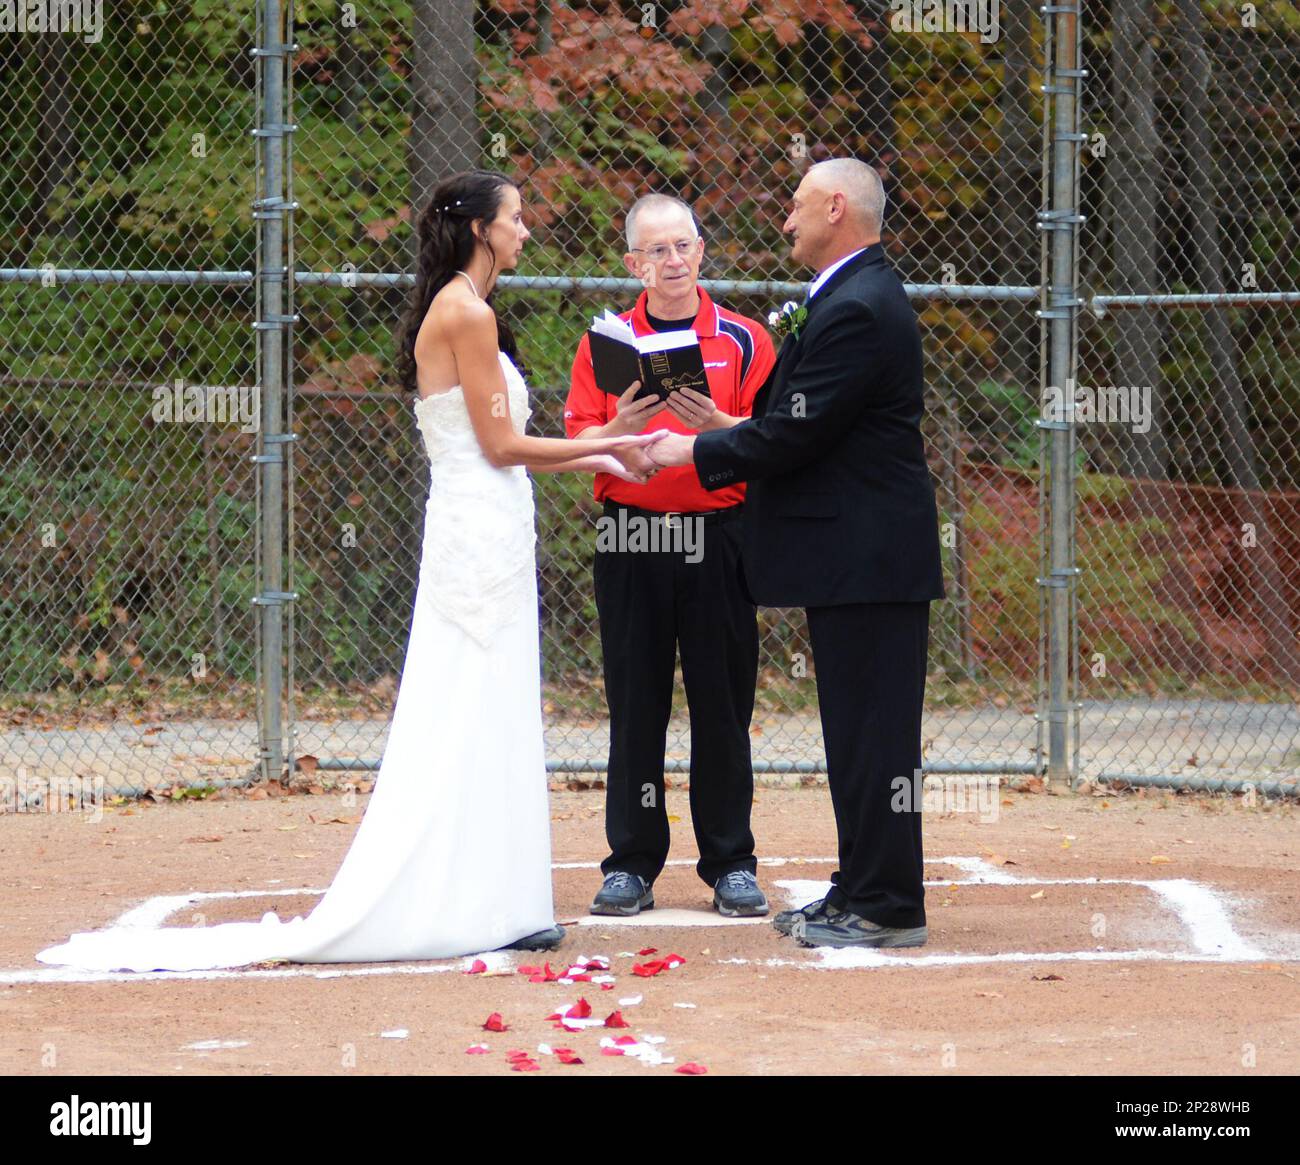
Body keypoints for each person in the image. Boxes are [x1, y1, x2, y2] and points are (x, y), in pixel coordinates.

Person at [34, 169, 663, 972]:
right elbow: (502, 449)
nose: (525, 231)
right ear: (480, 229)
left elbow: (503, 454)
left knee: (495, 699)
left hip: (493, 521)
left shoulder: (470, 309)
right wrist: (608, 440)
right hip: (475, 530)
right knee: (468, 697)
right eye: (515, 217)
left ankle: (504, 900)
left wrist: (608, 446)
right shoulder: (464, 312)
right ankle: (471, 901)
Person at [645, 158, 945, 949]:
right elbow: (797, 418)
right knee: (853, 730)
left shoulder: (859, 305)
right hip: (853, 558)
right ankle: (858, 885)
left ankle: (888, 903)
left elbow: (798, 433)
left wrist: (693, 451)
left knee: (876, 733)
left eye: (799, 205)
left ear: (837, 209)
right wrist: (724, 429)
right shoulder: (848, 295)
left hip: (871, 557)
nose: (787, 220)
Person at [565, 194, 777, 918]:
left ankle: (730, 861)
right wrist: (625, 439)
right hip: (633, 532)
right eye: (657, 250)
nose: (674, 260)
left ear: (701, 249)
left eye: (683, 245)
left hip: (718, 535)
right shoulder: (605, 341)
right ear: (634, 263)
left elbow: (776, 441)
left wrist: (711, 426)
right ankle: (631, 861)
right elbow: (578, 438)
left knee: (722, 702)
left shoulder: (745, 339)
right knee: (636, 700)